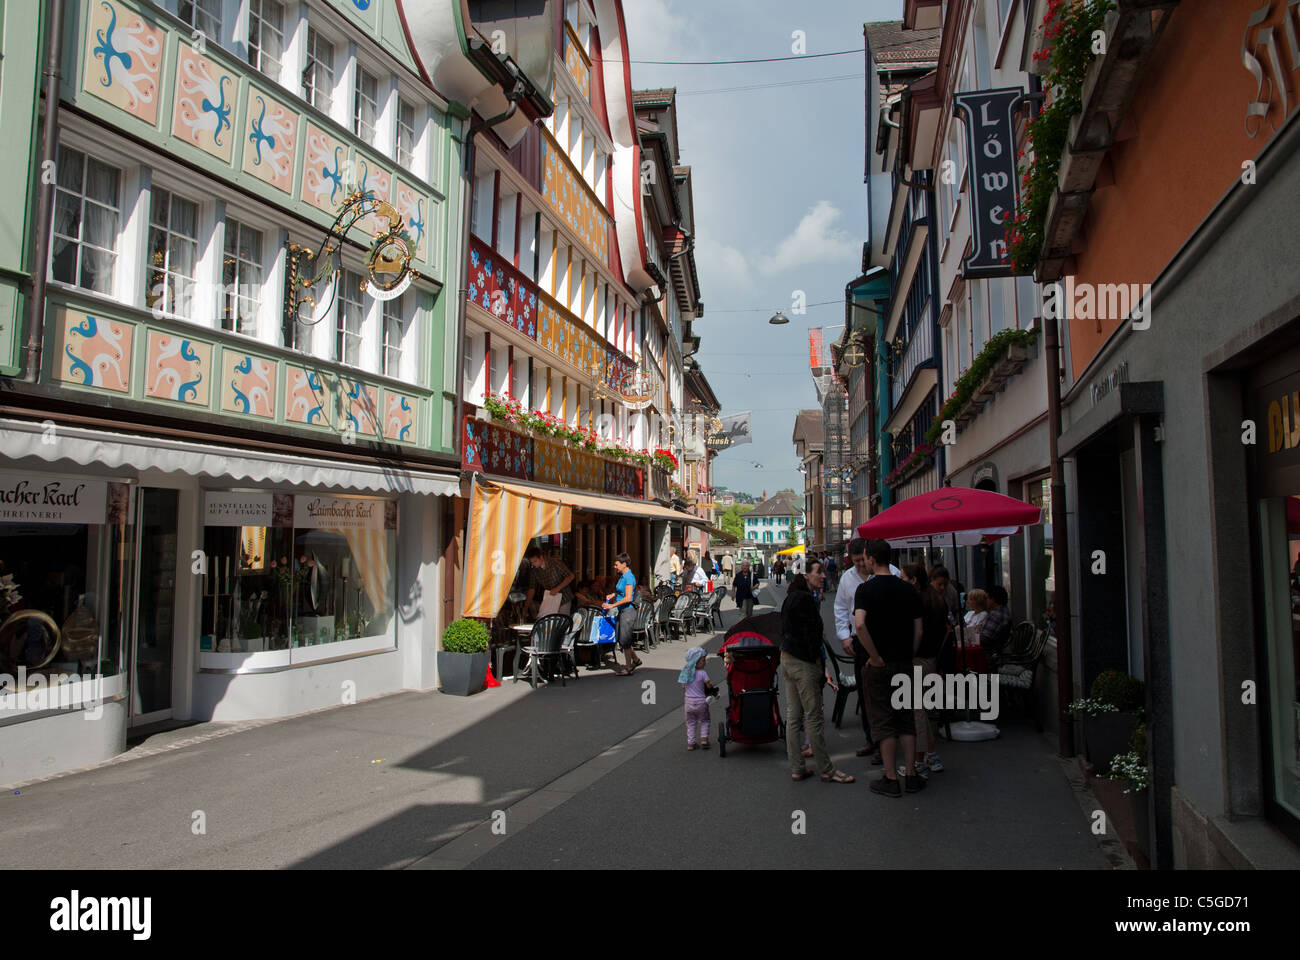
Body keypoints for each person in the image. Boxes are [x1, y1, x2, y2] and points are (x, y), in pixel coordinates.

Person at [855, 539, 925, 797]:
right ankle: (912, 774)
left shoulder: (865, 590)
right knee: (906, 719)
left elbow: (860, 625)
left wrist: (874, 656)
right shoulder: (908, 589)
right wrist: (910, 653)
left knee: (883, 720)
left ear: (872, 560)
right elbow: (919, 629)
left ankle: (891, 778)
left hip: (879, 665)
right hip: (903, 661)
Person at [781, 563, 855, 783]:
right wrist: (817, 662)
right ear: (806, 575)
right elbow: (810, 635)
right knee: (813, 717)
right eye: (818, 572)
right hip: (804, 662)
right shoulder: (805, 599)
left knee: (794, 717)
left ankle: (797, 767)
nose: (823, 576)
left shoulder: (791, 597)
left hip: (788, 659)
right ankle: (827, 769)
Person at [902, 563, 948, 777]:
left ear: (914, 581)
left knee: (916, 711)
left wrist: (909, 653)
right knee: (922, 709)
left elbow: (917, 633)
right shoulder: (937, 599)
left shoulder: (918, 601)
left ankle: (921, 759)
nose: (902, 581)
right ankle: (930, 753)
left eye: (904, 578)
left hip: (918, 658)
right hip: (931, 659)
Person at [603, 553, 640, 675]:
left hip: (627, 610)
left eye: (616, 564)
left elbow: (628, 597)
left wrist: (612, 605)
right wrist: (613, 595)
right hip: (623, 610)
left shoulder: (628, 577)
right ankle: (635, 659)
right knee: (623, 638)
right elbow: (621, 591)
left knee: (624, 639)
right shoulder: (623, 576)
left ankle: (628, 667)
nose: (615, 567)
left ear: (624, 564)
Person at [679, 646, 719, 750]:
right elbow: (709, 685)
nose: (705, 662)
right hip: (701, 702)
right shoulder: (702, 673)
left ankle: (691, 743)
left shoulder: (686, 673)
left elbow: (683, 686)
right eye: (703, 660)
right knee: (705, 720)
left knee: (691, 722)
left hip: (688, 702)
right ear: (696, 661)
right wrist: (711, 690)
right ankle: (704, 739)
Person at [524, 545, 575, 618]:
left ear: (541, 557)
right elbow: (532, 588)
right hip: (550, 600)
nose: (533, 564)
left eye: (535, 561)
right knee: (549, 622)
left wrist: (558, 588)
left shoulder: (555, 563)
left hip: (564, 598)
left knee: (562, 622)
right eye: (531, 562)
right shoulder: (534, 571)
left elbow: (571, 576)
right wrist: (526, 606)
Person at [982, 584, 1013, 659]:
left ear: (993, 599)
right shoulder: (1003, 611)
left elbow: (984, 638)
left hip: (989, 653)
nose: (985, 601)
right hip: (995, 650)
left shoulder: (996, 615)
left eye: (987, 598)